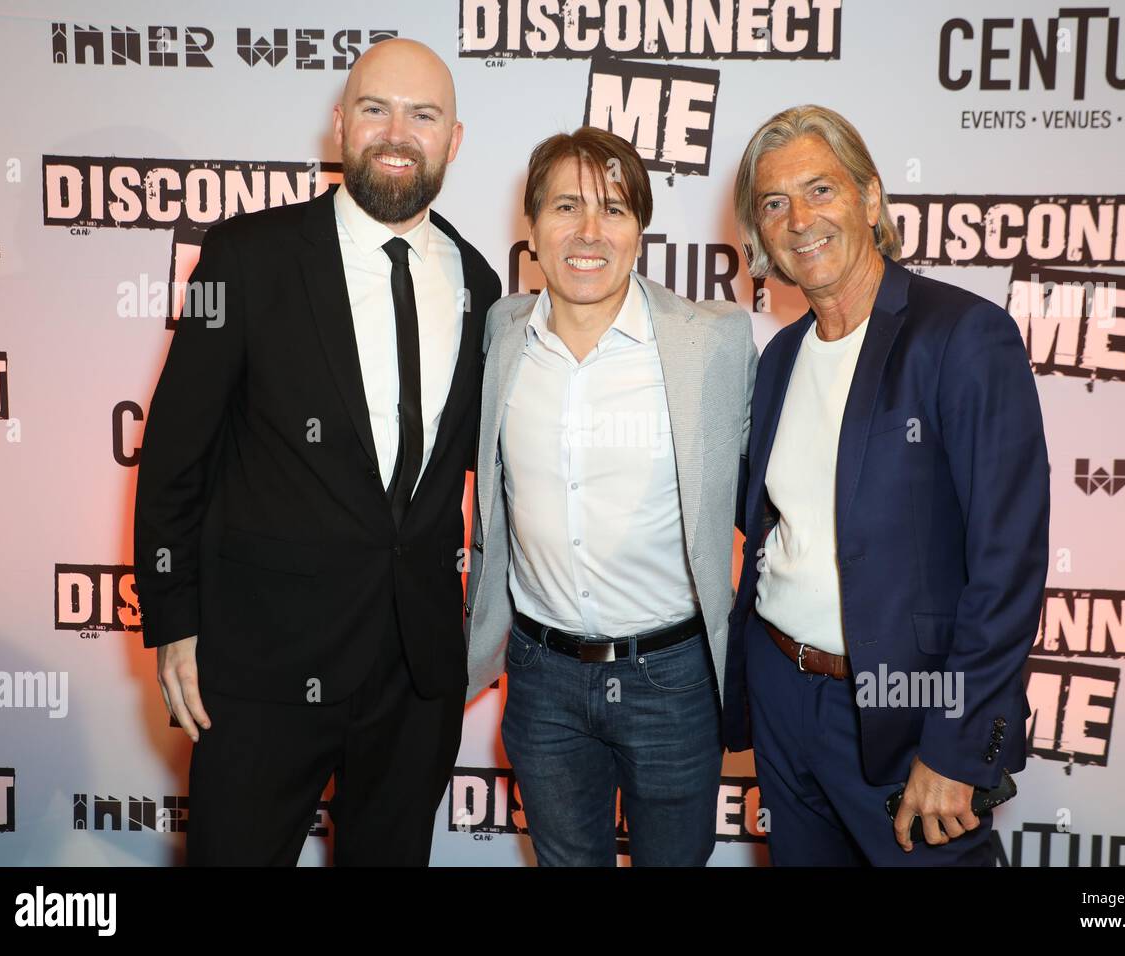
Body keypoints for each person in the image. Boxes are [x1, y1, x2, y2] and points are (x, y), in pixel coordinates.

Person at [133, 38, 502, 865]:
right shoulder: (246, 257)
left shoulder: (482, 285)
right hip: (260, 665)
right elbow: (173, 454)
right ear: (339, 125)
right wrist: (173, 620)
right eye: (375, 109)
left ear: (455, 139)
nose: (397, 133)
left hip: (415, 676)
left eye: (423, 115)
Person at [724, 105, 1049, 866]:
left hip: (908, 719)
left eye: (821, 190)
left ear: (871, 199)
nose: (799, 219)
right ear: (761, 233)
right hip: (782, 692)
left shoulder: (962, 336)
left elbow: (1008, 567)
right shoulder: (779, 360)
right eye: (774, 203)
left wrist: (959, 745)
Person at [464, 127, 756, 866]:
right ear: (530, 227)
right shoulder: (501, 335)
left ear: (640, 229)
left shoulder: (711, 343)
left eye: (615, 210)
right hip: (540, 678)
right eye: (566, 207)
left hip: (673, 679)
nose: (590, 232)